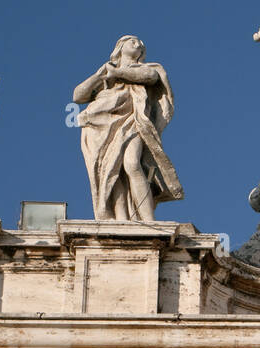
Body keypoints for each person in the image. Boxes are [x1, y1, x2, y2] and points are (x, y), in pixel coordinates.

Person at [73, 35, 183, 221]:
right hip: (101, 125)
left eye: (141, 45)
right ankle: (122, 218)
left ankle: (148, 220)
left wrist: (116, 74)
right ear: (120, 47)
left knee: (132, 163)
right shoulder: (106, 71)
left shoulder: (148, 68)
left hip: (133, 121)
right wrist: (100, 76)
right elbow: (78, 96)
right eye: (133, 41)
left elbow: (150, 77)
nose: (138, 44)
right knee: (111, 170)